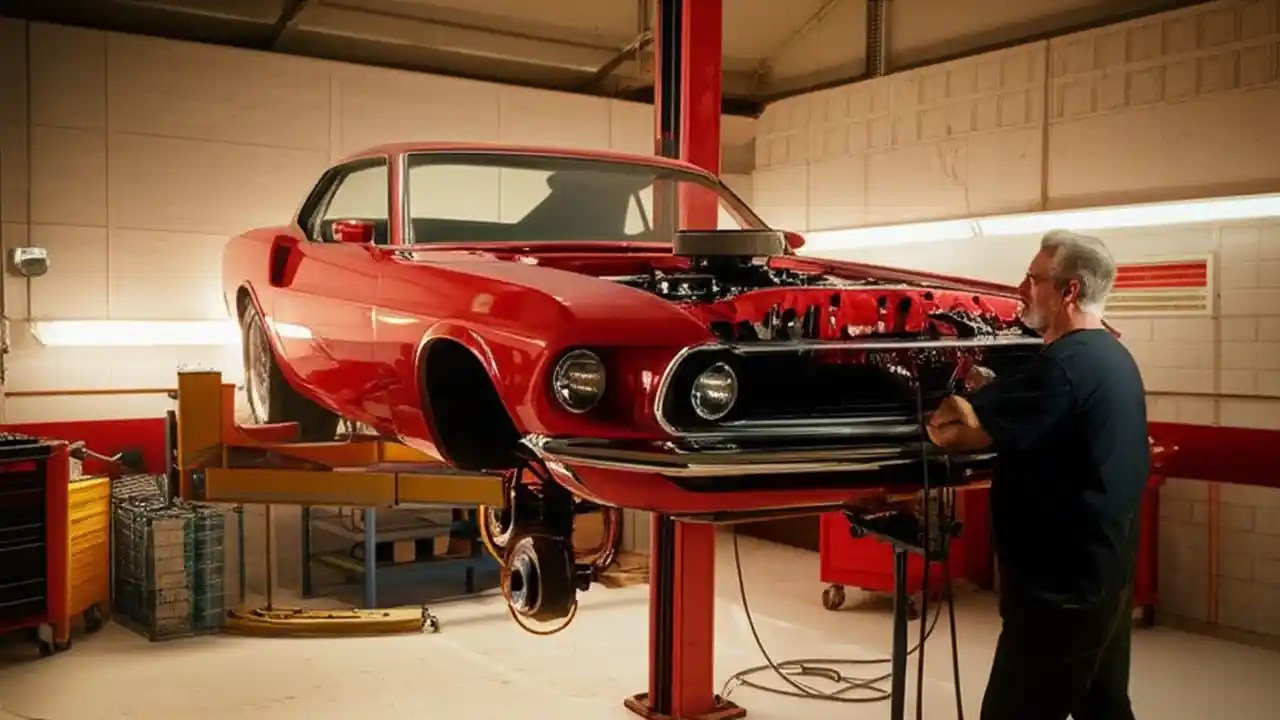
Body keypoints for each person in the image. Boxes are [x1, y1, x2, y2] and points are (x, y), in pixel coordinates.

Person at [926, 229, 1149, 720]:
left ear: (1069, 290)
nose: (1021, 290)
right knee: (1104, 708)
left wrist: (935, 398)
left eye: (1032, 279)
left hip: (1056, 597)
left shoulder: (1061, 367)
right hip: (1106, 579)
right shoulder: (1116, 359)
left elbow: (957, 429)